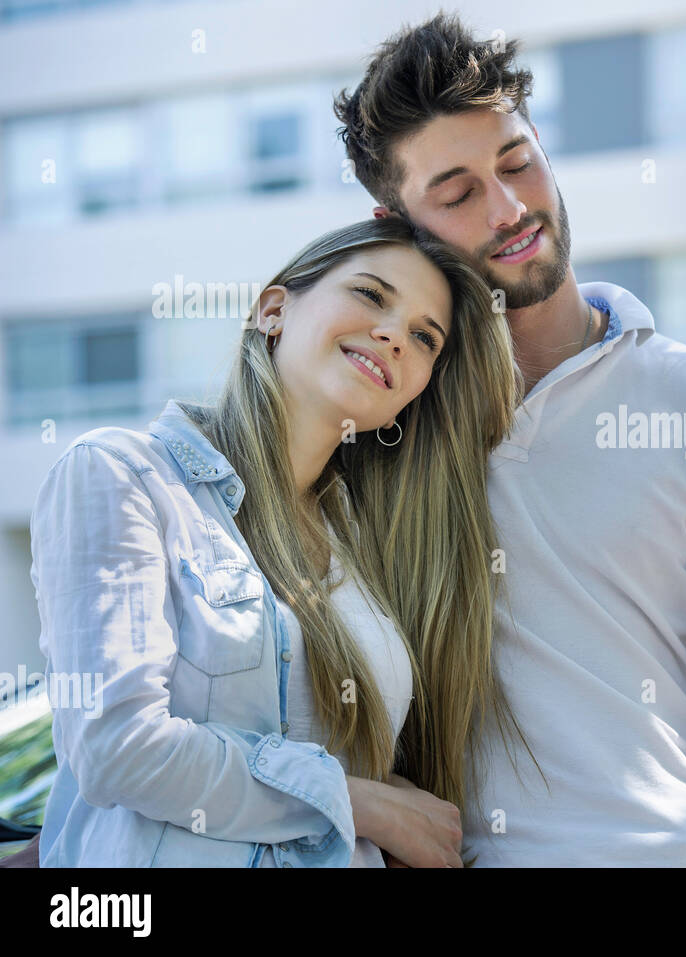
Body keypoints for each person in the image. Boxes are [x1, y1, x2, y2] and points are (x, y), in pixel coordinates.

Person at [333, 12, 686, 866]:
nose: (509, 207)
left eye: (517, 163)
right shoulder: (378, 420)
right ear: (397, 222)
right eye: (457, 194)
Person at [27, 216, 525, 866]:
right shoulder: (124, 476)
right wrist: (355, 799)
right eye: (372, 296)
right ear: (273, 309)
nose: (393, 335)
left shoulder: (364, 549)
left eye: (424, 336)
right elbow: (118, 746)